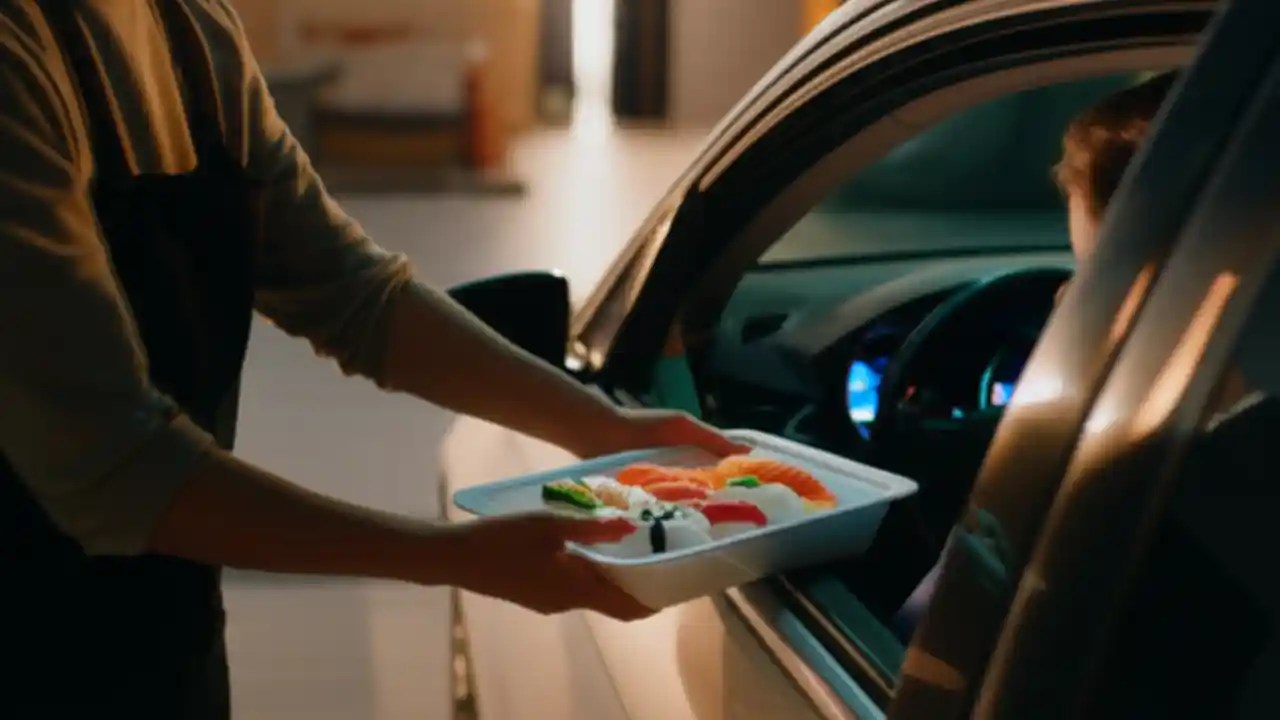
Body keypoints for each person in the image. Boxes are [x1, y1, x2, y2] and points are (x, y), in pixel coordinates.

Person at [0, 1, 743, 715]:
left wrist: (600, 428)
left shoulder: (190, 29)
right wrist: (455, 557)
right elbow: (114, 467)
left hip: (170, 641)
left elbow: (353, 294)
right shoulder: (18, 53)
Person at [893, 69, 1279, 716]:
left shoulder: (1129, 513)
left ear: (1187, 283)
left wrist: (1026, 468)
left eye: (1090, 271)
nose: (1066, 302)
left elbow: (926, 663)